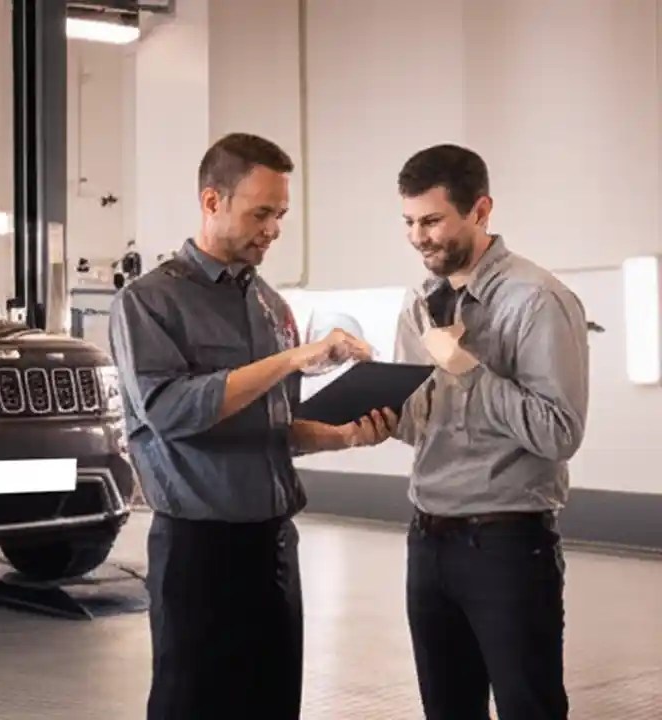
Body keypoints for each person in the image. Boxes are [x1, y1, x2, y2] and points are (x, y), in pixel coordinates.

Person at [108, 131, 399, 719]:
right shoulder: (149, 303)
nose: (273, 229)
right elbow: (169, 411)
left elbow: (277, 425)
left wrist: (344, 435)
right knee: (192, 706)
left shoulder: (271, 306)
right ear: (212, 201)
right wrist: (292, 359)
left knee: (272, 705)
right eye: (260, 212)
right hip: (199, 550)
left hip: (272, 546)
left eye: (281, 213)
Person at [391, 143, 590, 720]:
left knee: (529, 708)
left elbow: (560, 432)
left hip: (506, 545)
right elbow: (416, 423)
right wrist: (370, 405)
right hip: (426, 542)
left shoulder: (537, 300)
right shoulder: (419, 304)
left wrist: (468, 371)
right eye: (408, 222)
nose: (418, 237)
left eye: (432, 220)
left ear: (480, 211)